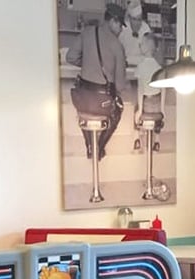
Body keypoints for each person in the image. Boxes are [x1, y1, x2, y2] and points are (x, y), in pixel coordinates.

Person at [66, 3, 129, 161]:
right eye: (120, 25)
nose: (121, 29)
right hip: (103, 103)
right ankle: (99, 147)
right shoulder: (117, 46)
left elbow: (70, 57)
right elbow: (120, 86)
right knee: (118, 110)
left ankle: (89, 143)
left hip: (82, 99)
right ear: (113, 21)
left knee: (84, 112)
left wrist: (88, 63)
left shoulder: (87, 32)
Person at [119, 0, 152, 69]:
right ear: (130, 19)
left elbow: (149, 52)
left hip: (141, 66)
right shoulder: (123, 29)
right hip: (124, 65)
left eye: (139, 20)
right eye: (134, 19)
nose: (137, 23)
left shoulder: (146, 28)